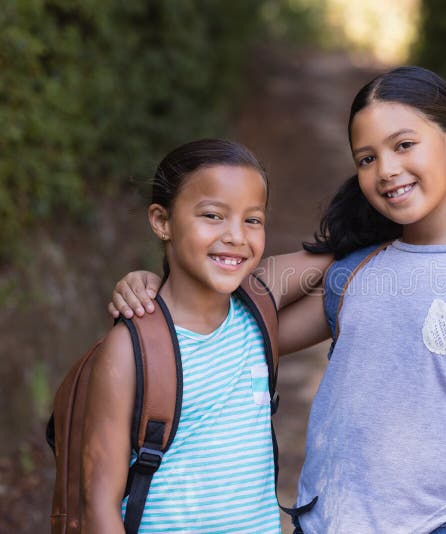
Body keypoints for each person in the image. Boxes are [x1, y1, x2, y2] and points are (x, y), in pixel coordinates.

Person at [110, 67, 446, 533]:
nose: (387, 170)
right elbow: (229, 310)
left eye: (404, 145)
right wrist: (156, 282)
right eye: (366, 159)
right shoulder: (358, 271)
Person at [82, 139, 319, 533]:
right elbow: (99, 506)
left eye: (253, 219)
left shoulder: (257, 316)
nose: (236, 236)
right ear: (162, 221)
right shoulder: (131, 347)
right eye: (213, 215)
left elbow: (342, 259)